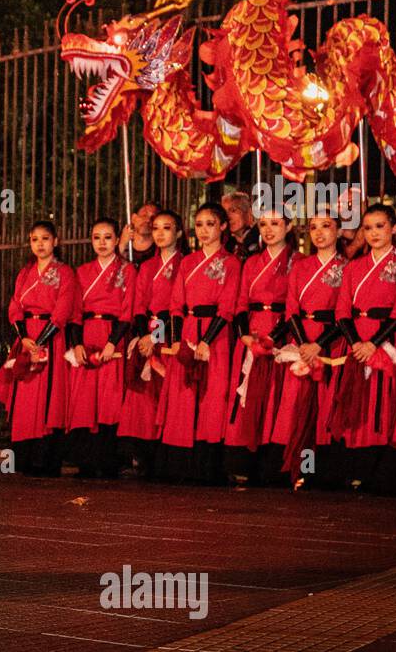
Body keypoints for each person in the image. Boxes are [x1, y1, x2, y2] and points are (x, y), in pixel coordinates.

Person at [328, 203, 396, 493]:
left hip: (388, 340)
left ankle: (384, 473)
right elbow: (341, 312)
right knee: (356, 403)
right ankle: (354, 469)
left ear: (394, 228)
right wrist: (356, 344)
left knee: (385, 405)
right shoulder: (353, 267)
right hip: (355, 341)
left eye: (380, 226)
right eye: (368, 228)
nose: (374, 233)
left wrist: (373, 344)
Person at [156, 203, 242, 483]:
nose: (204, 230)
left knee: (213, 395)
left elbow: (228, 306)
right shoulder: (187, 262)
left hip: (215, 337)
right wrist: (180, 340)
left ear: (223, 227)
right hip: (189, 331)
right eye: (200, 224)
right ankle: (181, 465)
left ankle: (210, 466)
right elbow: (176, 304)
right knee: (184, 395)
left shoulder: (231, 262)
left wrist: (207, 340)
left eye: (211, 224)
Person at [0, 220, 76, 476]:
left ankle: (46, 460)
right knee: (23, 399)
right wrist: (24, 338)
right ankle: (22, 457)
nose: (40, 244)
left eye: (45, 238)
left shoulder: (65, 273)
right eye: (35, 239)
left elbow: (63, 310)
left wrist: (43, 341)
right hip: (26, 340)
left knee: (49, 397)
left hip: (52, 338)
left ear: (56, 241)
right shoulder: (25, 273)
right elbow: (15, 307)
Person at [271, 213, 348, 489]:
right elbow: (291, 309)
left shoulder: (348, 268)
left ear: (339, 231)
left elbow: (345, 314)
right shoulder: (300, 268)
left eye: (326, 227)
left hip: (332, 343)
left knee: (324, 407)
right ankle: (298, 469)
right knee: (298, 408)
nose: (319, 233)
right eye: (313, 228)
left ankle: (322, 471)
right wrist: (304, 344)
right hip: (303, 341)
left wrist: (318, 345)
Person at [223, 208, 297, 484]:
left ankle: (271, 465)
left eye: (276, 224)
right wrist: (244, 334)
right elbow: (240, 303)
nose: (269, 230)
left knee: (276, 397)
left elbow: (295, 307)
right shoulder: (251, 262)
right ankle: (241, 461)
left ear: (289, 227)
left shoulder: (298, 262)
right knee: (246, 396)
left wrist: (274, 338)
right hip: (252, 332)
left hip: (281, 333)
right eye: (264, 224)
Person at [65, 218, 136, 477]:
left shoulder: (127, 270)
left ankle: (109, 461)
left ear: (118, 240)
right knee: (84, 399)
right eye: (97, 237)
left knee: (110, 398)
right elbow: (74, 311)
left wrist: (112, 342)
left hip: (112, 336)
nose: (102, 243)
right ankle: (85, 460)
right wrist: (77, 344)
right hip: (86, 334)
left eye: (108, 237)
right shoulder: (81, 272)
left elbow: (127, 312)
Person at [118, 209, 184, 475]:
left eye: (166, 228)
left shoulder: (186, 264)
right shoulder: (145, 267)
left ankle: (167, 460)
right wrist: (142, 336)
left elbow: (180, 306)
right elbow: (138, 305)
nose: (159, 233)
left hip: (171, 337)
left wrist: (157, 336)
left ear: (178, 233)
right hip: (147, 336)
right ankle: (144, 458)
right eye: (155, 228)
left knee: (168, 397)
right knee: (143, 402)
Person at [118, 200, 160, 269]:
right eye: (144, 215)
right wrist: (122, 245)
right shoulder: (117, 243)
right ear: (134, 218)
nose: (148, 220)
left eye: (153, 218)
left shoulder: (160, 250)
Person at [221, 191, 262, 259]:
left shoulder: (261, 239)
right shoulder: (227, 246)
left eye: (233, 210)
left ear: (248, 213)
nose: (228, 217)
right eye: (224, 213)